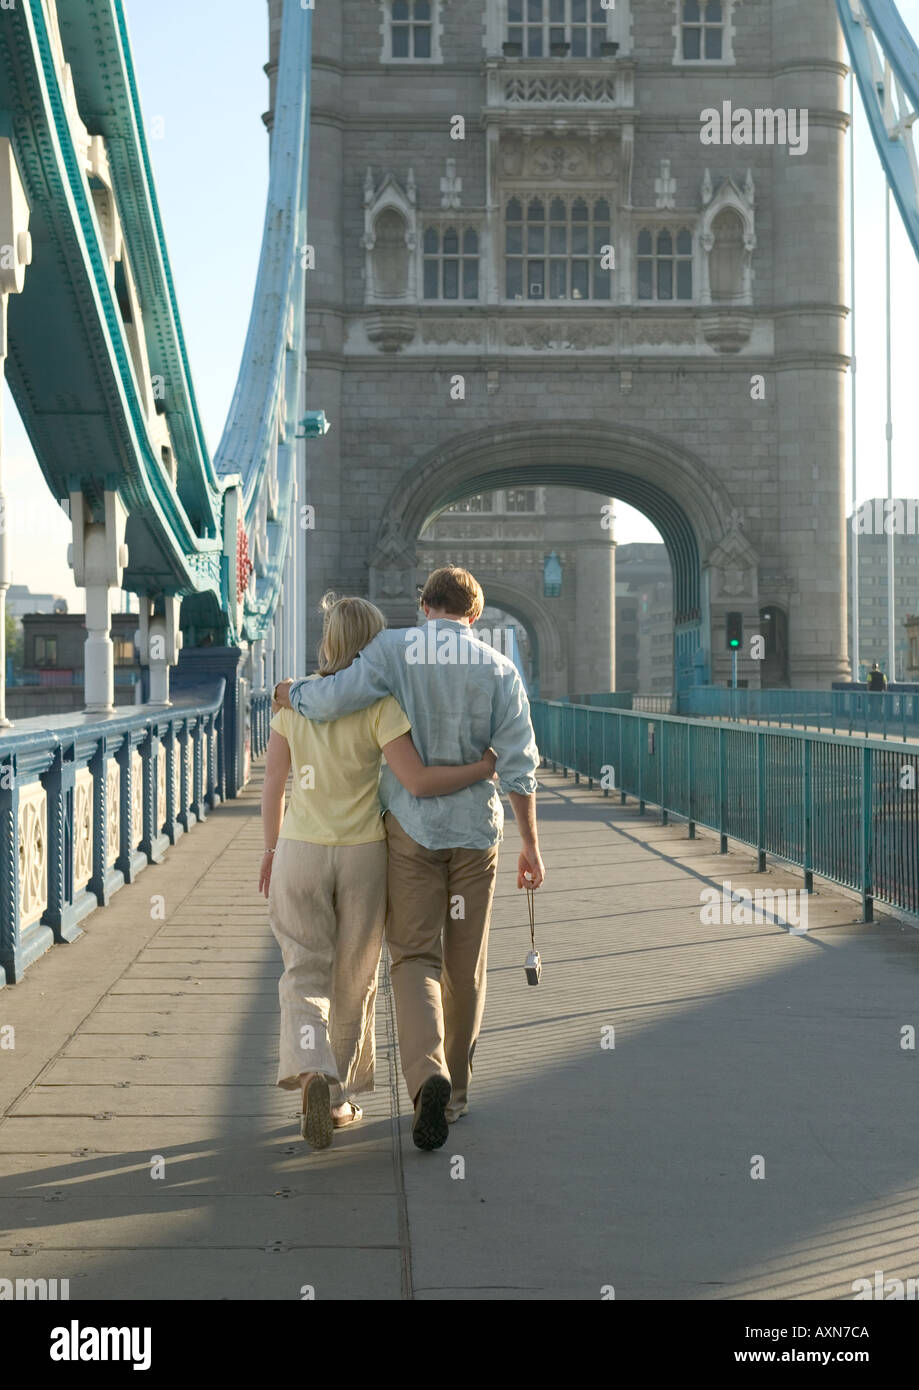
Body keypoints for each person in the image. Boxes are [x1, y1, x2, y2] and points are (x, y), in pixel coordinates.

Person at [274, 566, 544, 1152]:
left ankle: (427, 1081)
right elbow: (519, 765)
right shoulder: (500, 668)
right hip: (477, 833)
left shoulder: (391, 649)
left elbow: (333, 697)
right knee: (464, 966)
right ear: (475, 615)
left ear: (424, 605)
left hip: (412, 834)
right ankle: (460, 1090)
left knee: (415, 956)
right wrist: (531, 846)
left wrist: (289, 694)